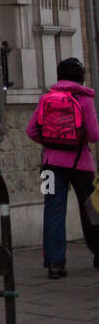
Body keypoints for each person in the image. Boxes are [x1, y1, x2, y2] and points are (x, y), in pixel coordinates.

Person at [25, 57, 99, 279]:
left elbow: (31, 131)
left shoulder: (46, 98)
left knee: (53, 211)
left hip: (50, 165)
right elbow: (94, 135)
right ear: (81, 76)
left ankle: (55, 263)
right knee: (92, 210)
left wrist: (51, 143)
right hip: (81, 164)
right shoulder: (85, 100)